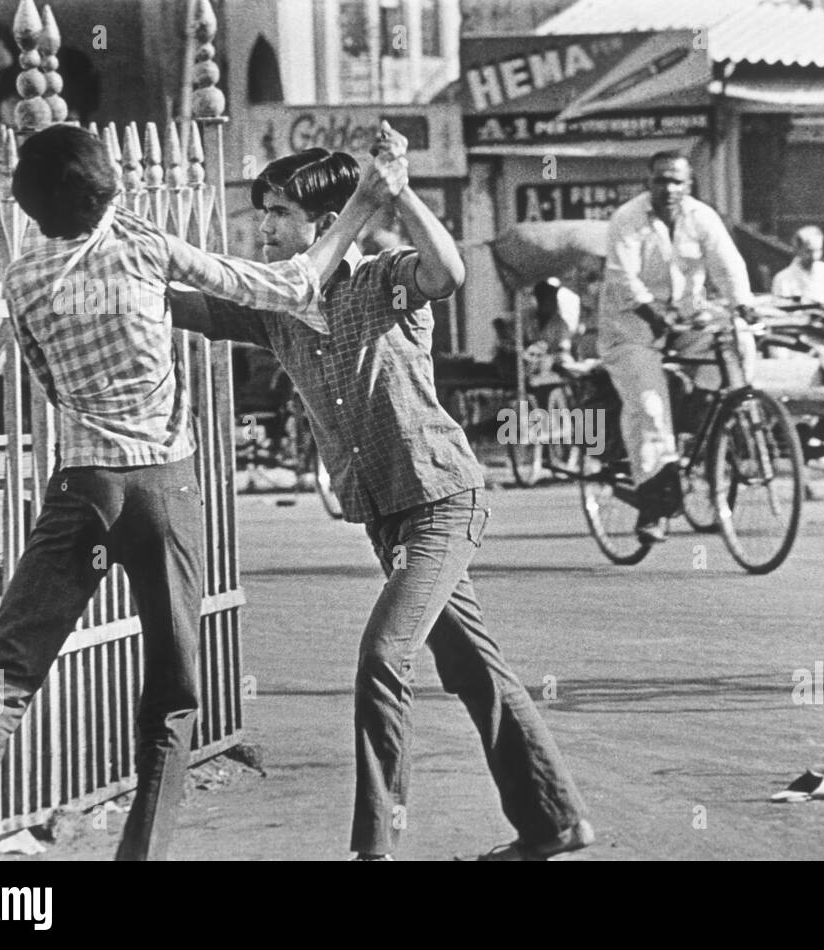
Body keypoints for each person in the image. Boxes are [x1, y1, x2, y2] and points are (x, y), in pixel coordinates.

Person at [0, 124, 356, 861]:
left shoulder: (21, 279)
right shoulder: (144, 245)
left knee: (10, 664)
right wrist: (363, 207)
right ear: (110, 189)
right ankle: (143, 851)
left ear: (29, 208)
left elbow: (48, 381)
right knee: (173, 684)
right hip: (165, 487)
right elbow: (285, 285)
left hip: (83, 487)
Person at [169, 131, 593, 861]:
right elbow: (190, 305)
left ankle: (375, 847)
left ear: (329, 219)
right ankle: (555, 822)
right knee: (470, 667)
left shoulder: (383, 281)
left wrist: (398, 193)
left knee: (382, 657)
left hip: (440, 497)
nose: (263, 227)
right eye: (262, 211)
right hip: (386, 516)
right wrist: (111, 267)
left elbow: (448, 271)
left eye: (277, 213)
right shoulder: (277, 310)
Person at [600, 151, 754, 544]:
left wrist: (743, 303)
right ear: (648, 182)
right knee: (650, 408)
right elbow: (622, 277)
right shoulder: (627, 219)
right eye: (661, 180)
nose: (669, 188)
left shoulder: (701, 217)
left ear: (689, 185)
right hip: (632, 328)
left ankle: (714, 427)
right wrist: (655, 316)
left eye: (677, 181)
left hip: (686, 321)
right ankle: (653, 504)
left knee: (735, 343)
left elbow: (727, 264)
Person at [770, 226, 824, 315]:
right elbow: (778, 313)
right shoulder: (782, 279)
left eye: (819, 250)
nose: (815, 256)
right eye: (809, 251)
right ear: (797, 249)